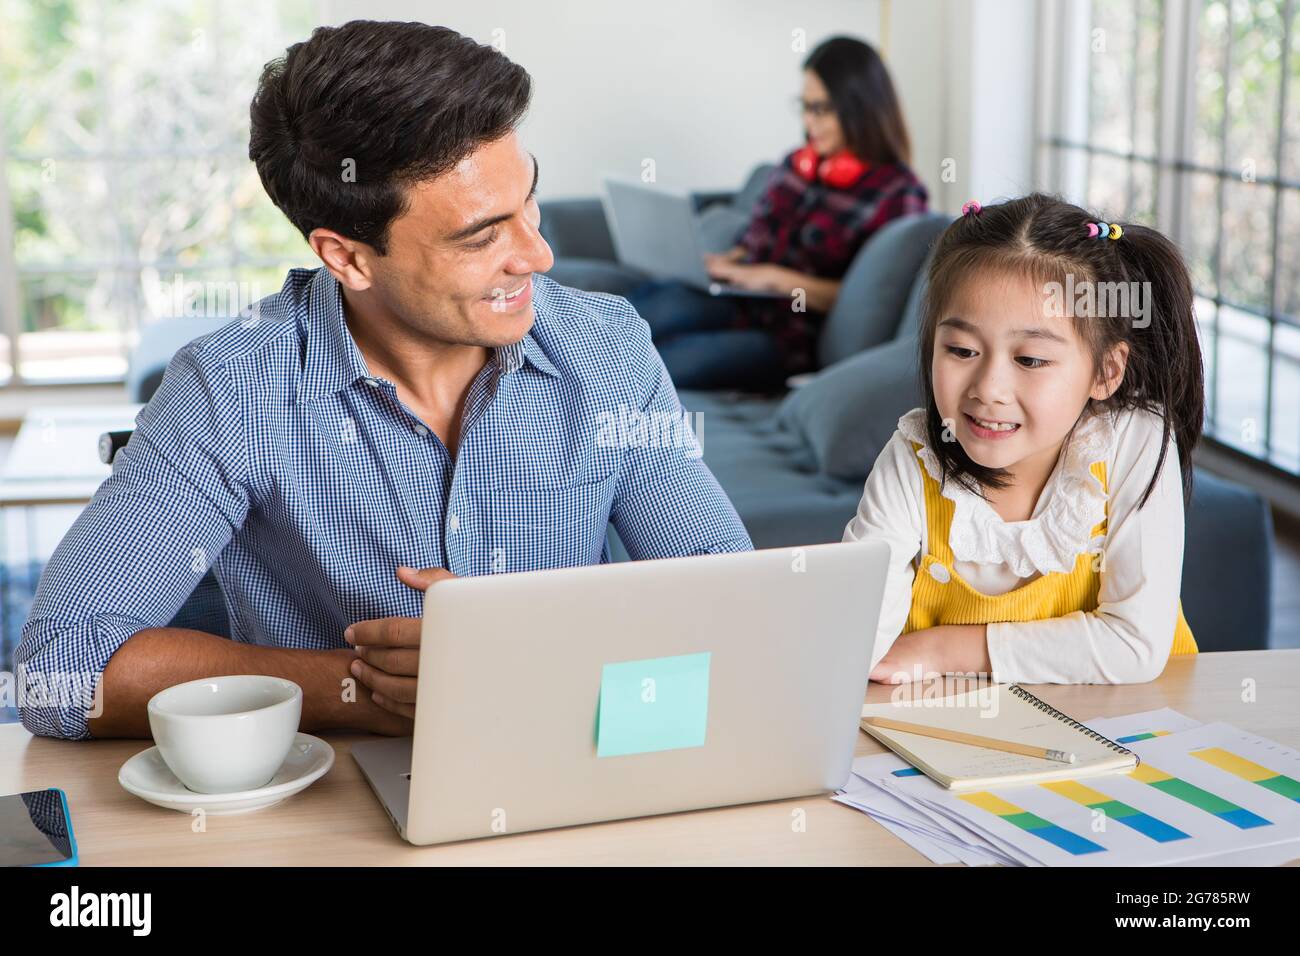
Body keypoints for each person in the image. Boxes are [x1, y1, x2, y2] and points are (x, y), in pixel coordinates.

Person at [16, 21, 752, 742]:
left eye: (529, 201)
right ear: (349, 258)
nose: (539, 254)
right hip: (342, 806)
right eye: (482, 235)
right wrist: (358, 688)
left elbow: (737, 606)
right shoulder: (231, 389)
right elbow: (60, 672)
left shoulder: (607, 348)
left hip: (575, 765)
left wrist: (539, 653)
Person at [843, 194, 1203, 685]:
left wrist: (950, 648)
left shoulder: (1132, 441)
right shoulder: (912, 460)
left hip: (1139, 732)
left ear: (1106, 371)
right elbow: (853, 641)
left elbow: (1133, 645)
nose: (988, 389)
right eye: (962, 350)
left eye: (1030, 360)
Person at [626, 36, 928, 390]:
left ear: (860, 108)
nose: (809, 121)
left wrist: (773, 277)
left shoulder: (898, 193)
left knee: (664, 363)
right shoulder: (795, 165)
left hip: (788, 336)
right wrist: (723, 263)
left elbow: (864, 298)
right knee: (642, 312)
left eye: (822, 109)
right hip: (741, 299)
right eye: (804, 106)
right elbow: (759, 235)